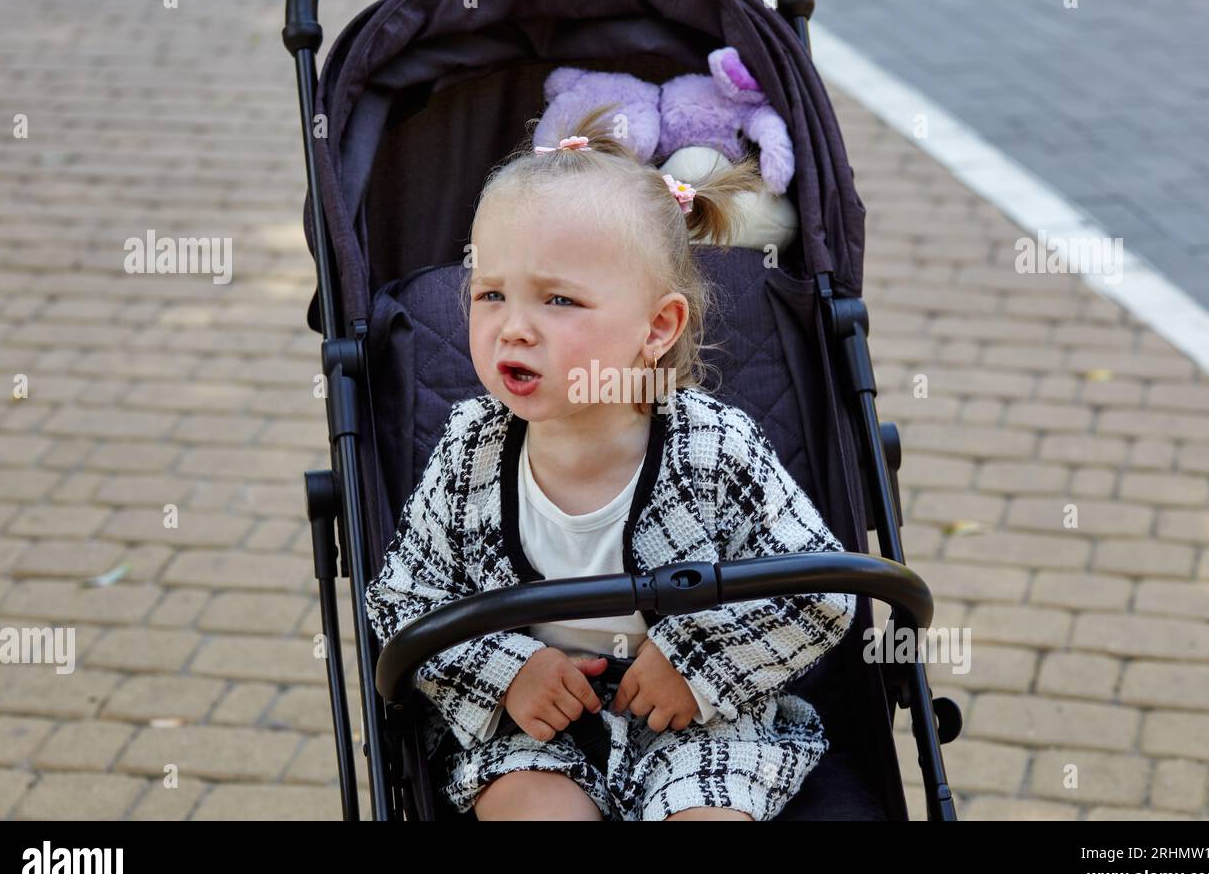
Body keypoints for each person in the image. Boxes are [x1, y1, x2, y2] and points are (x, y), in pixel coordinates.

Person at [364, 104, 857, 820]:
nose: (515, 328)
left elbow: (819, 590)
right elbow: (404, 602)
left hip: (699, 722)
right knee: (530, 805)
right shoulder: (471, 448)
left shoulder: (714, 449)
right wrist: (507, 671)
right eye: (490, 294)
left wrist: (699, 659)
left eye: (559, 299)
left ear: (657, 328)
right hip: (534, 727)